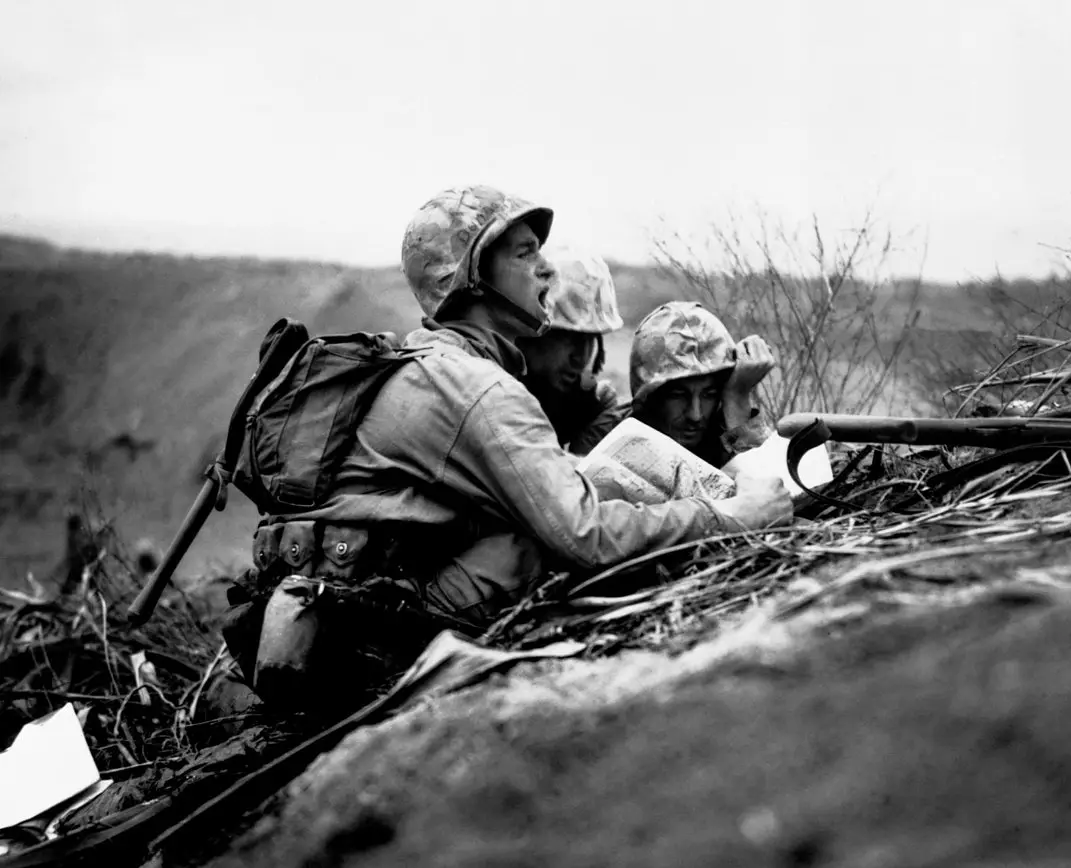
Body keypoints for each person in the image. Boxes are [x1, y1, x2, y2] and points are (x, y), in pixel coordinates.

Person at [247, 186, 793, 633]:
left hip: (364, 606)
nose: (546, 271)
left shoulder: (433, 363)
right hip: (381, 628)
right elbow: (586, 536)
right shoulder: (478, 389)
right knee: (539, 543)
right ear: (472, 276)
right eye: (525, 253)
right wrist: (727, 518)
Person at [630, 301, 775, 468]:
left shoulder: (722, 440)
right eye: (678, 395)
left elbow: (766, 486)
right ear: (649, 397)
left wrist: (737, 397)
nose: (696, 415)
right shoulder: (612, 440)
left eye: (709, 395)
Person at [517, 247, 628, 455]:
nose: (581, 358)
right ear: (528, 333)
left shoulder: (591, 402)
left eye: (590, 339)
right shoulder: (492, 393)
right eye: (566, 338)